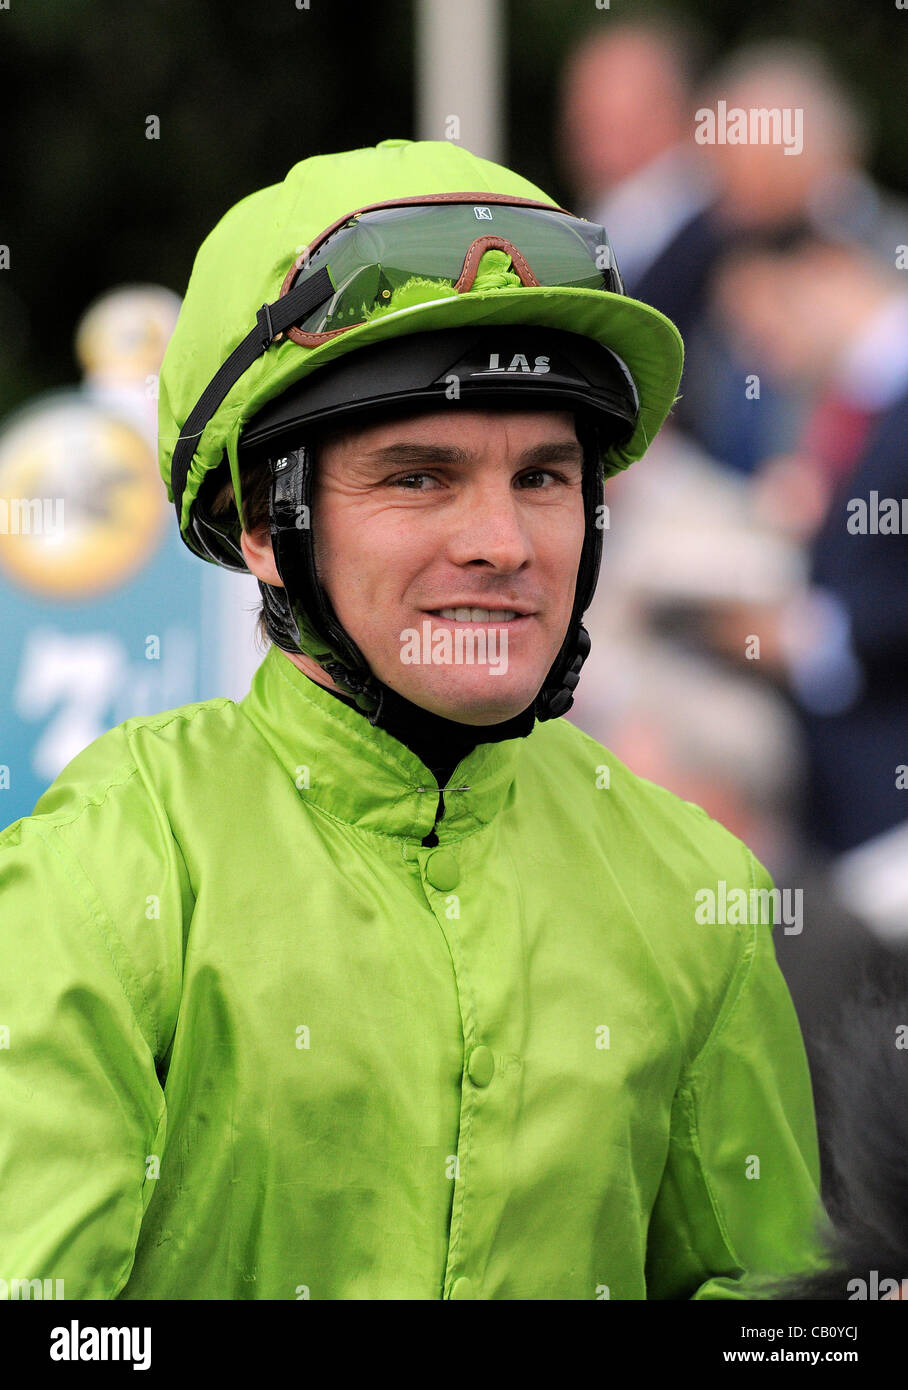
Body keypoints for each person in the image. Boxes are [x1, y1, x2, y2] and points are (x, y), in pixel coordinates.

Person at [0, 139, 829, 1300]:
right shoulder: (102, 875)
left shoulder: (702, 892)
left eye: (542, 476)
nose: (502, 542)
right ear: (260, 527)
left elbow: (780, 1319)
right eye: (417, 477)